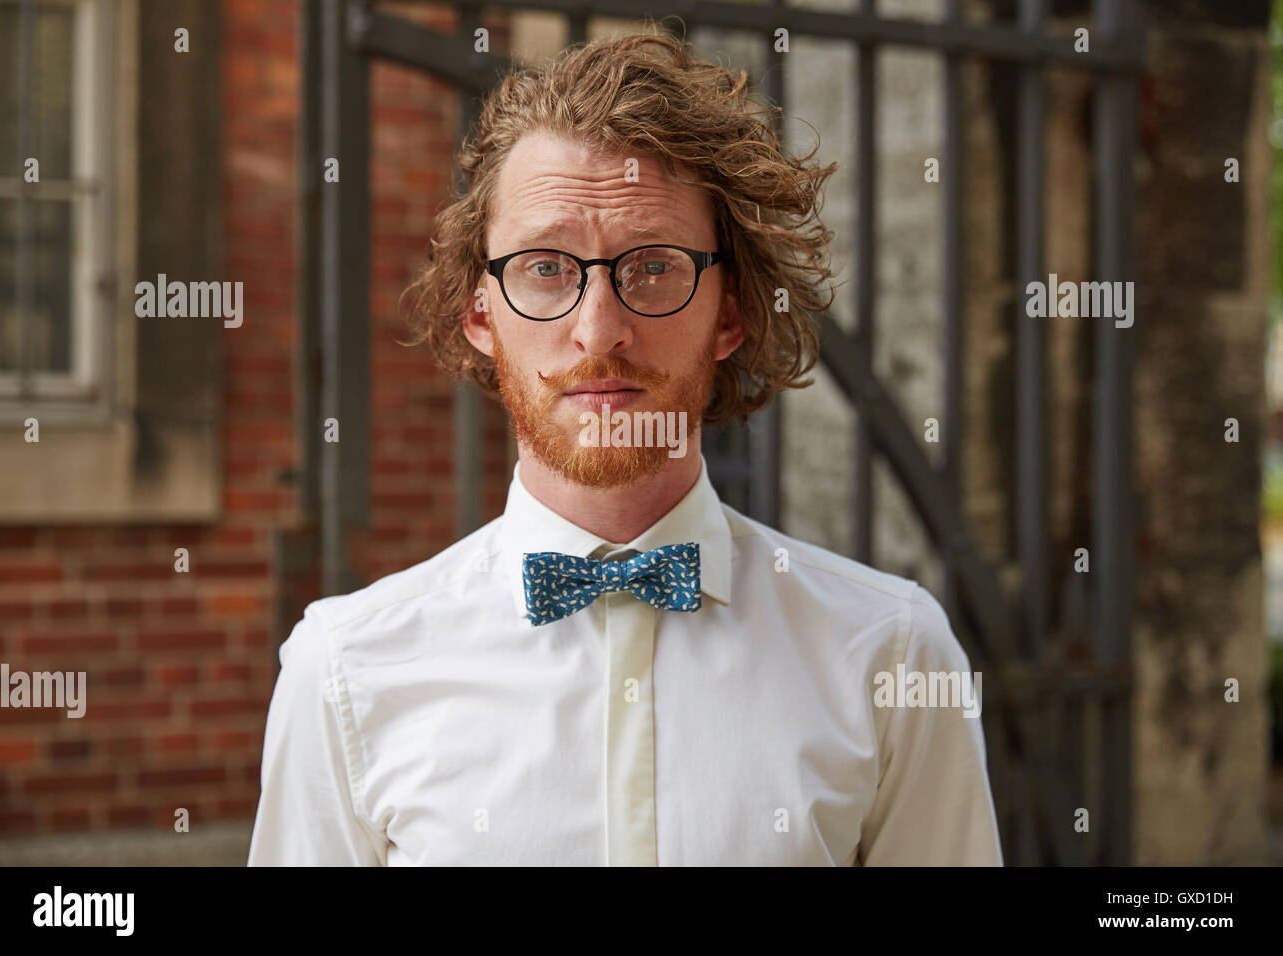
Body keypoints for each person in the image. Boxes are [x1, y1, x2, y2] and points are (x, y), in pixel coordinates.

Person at [248, 25, 1002, 866]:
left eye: (653, 266)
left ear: (732, 312)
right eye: (544, 268)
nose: (599, 332)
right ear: (480, 314)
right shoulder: (345, 671)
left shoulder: (892, 655)